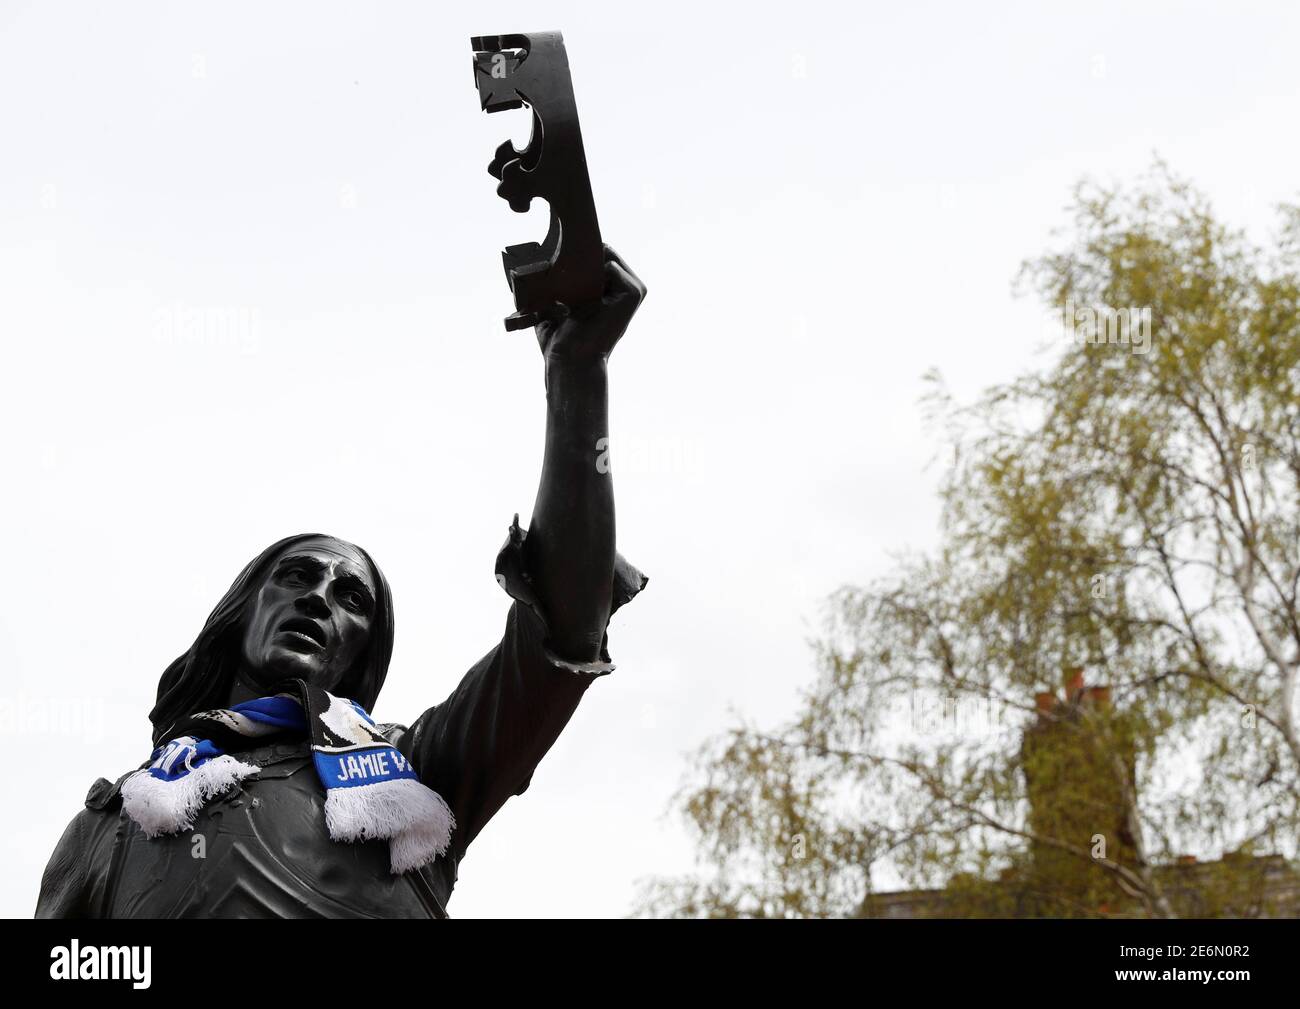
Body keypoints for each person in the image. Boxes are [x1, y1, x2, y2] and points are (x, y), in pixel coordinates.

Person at [35, 246, 647, 918]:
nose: (319, 595)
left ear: (364, 648)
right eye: (294, 575)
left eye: (351, 596)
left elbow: (564, 616)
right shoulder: (108, 824)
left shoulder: (415, 776)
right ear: (241, 609)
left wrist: (577, 374)